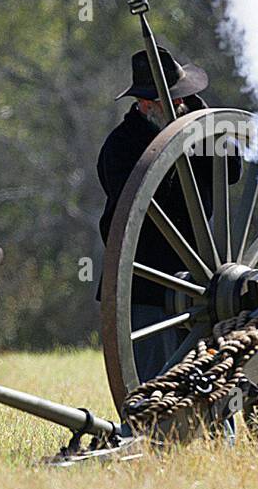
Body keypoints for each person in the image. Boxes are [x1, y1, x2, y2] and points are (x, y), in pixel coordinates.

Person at [96, 46, 237, 381]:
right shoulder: (121, 146)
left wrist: (202, 119)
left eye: (183, 98)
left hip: (201, 282)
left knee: (209, 376)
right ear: (145, 105)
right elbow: (142, 205)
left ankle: (218, 434)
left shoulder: (197, 133)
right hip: (146, 285)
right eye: (173, 101)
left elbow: (231, 170)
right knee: (155, 382)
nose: (181, 105)